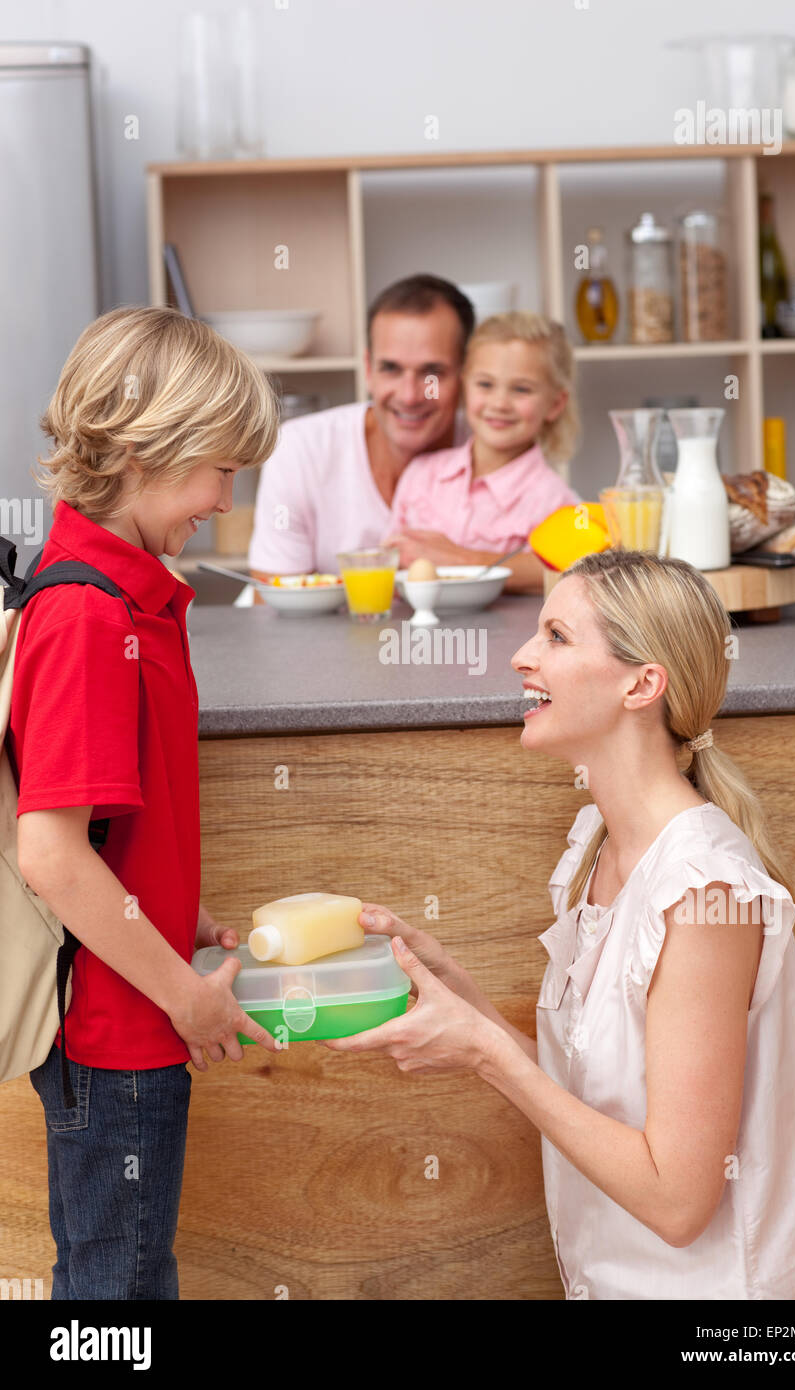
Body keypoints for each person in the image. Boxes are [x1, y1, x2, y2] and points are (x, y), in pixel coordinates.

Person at [320, 549, 795, 1300]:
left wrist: (486, 1055)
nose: (521, 657)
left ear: (642, 684)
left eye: (555, 636)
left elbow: (677, 1201)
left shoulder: (703, 893)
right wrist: (458, 992)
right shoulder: (600, 846)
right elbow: (600, 1096)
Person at [11, 306, 280, 1300]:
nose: (225, 492)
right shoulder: (88, 616)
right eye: (218, 464)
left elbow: (110, 833)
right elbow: (52, 854)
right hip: (121, 1030)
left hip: (130, 1007)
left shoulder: (129, 601)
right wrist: (182, 989)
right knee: (117, 1292)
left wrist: (174, 913)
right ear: (140, 446)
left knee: (121, 1277)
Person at [248, 274, 473, 587]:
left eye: (432, 373)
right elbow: (270, 603)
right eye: (390, 369)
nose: (409, 395)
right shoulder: (300, 449)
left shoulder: (493, 448)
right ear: (368, 369)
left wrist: (462, 559)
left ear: (466, 374)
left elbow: (562, 565)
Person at [385, 313, 580, 593]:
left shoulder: (553, 500)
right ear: (465, 385)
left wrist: (457, 560)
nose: (500, 403)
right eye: (485, 385)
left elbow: (569, 574)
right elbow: (389, 562)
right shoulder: (421, 474)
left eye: (521, 389)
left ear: (555, 403)